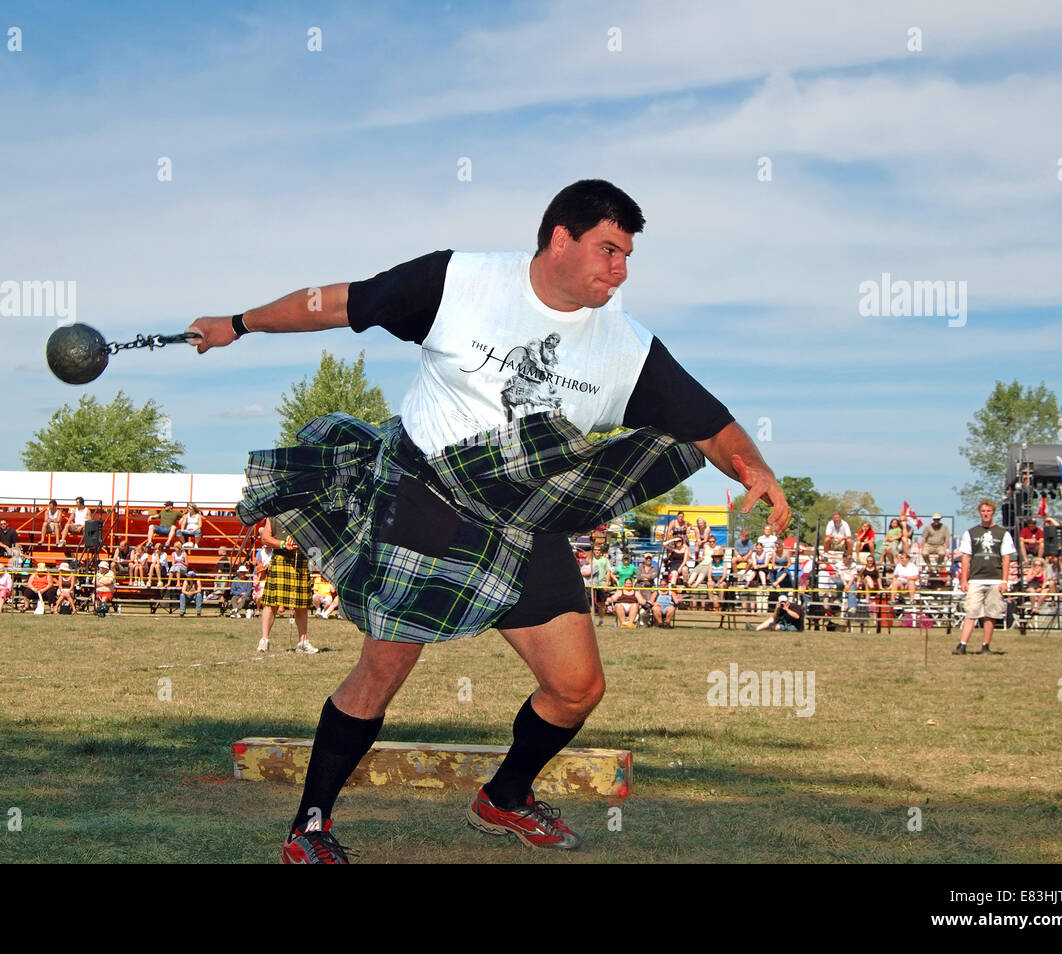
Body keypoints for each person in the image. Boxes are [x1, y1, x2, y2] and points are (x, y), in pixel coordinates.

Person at [188, 179, 788, 863]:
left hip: (523, 522)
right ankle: (310, 830)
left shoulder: (626, 349)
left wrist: (753, 469)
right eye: (608, 249)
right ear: (560, 239)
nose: (620, 270)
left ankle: (504, 798)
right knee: (383, 669)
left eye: (627, 256)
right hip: (425, 498)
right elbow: (334, 303)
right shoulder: (460, 281)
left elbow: (713, 425)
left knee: (577, 688)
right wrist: (236, 324)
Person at [953, 499, 1015, 655]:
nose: (986, 513)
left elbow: (1006, 558)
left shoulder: (1002, 533)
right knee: (971, 611)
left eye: (988, 511)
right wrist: (963, 579)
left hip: (995, 578)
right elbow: (966, 557)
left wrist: (1005, 580)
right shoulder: (971, 533)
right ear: (980, 513)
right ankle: (962, 644)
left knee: (991, 614)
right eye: (983, 511)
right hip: (976, 578)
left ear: (993, 512)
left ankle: (985, 645)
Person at [256, 515, 317, 654]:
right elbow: (265, 538)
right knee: (271, 603)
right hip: (280, 558)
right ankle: (264, 640)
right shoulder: (274, 516)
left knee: (301, 604)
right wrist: (283, 544)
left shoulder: (306, 514)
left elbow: (315, 537)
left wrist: (300, 541)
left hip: (300, 559)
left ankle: (303, 642)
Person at [921, 512, 951, 580]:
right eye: (935, 519)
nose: (936, 521)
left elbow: (947, 538)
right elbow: (924, 538)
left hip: (940, 545)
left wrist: (947, 549)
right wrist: (921, 548)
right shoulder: (928, 527)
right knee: (924, 553)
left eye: (938, 519)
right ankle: (930, 566)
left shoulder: (945, 527)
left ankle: (938, 566)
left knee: (942, 553)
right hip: (929, 545)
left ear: (940, 519)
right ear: (933, 519)